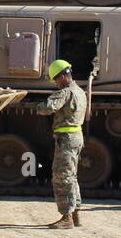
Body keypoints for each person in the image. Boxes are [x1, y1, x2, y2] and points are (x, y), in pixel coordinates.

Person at [37, 59, 86, 229]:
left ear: (64, 76)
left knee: (61, 177)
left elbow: (48, 108)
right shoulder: (80, 91)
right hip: (76, 136)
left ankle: (67, 217)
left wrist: (38, 106)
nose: (56, 83)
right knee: (71, 176)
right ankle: (75, 214)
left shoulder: (65, 92)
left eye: (56, 79)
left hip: (66, 138)